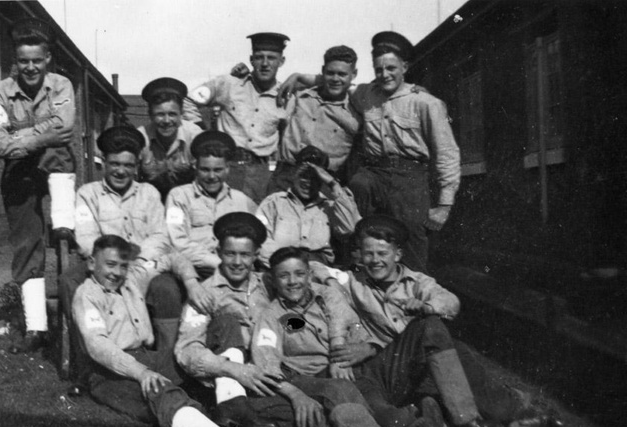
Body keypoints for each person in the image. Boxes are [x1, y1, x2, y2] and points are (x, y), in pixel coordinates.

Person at [312, 215, 564, 427]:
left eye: (382, 253)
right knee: (437, 336)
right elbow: (312, 267)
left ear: (397, 254)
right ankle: (489, 417)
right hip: (373, 372)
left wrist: (427, 307)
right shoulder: (354, 281)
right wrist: (332, 282)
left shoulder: (417, 282)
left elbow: (451, 302)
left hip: (406, 370)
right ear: (360, 255)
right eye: (368, 254)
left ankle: (487, 416)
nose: (375, 260)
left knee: (435, 330)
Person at [251, 246, 446, 427]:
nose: (293, 281)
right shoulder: (271, 316)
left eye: (299, 274)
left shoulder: (327, 296)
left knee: (370, 394)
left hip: (346, 370)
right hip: (308, 377)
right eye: (284, 276)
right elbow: (267, 364)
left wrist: (361, 348)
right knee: (340, 390)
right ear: (274, 280)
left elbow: (354, 327)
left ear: (309, 274)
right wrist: (295, 394)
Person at [278, 32, 461, 273]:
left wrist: (444, 205)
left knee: (411, 242)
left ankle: (414, 291)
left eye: (391, 68)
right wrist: (300, 76)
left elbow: (447, 153)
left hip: (410, 177)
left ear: (405, 67)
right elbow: (338, 81)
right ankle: (356, 280)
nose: (385, 75)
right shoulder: (366, 94)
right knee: (356, 219)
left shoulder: (426, 103)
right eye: (379, 69)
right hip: (374, 173)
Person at [71, 235, 252, 427]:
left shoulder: (132, 278)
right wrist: (141, 372)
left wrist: (191, 283)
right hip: (109, 372)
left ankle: (233, 407)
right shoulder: (87, 295)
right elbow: (98, 346)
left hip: (150, 357)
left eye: (123, 266)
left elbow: (172, 258)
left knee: (225, 323)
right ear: (92, 263)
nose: (117, 273)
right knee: (158, 390)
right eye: (110, 265)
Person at [0, 18, 77, 352]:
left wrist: (20, 137)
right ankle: (36, 328)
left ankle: (64, 224)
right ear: (16, 60)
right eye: (24, 61)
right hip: (19, 173)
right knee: (26, 246)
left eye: (37, 60)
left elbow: (65, 128)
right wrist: (40, 136)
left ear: (47, 58)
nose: (31, 67)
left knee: (57, 152)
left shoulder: (61, 86)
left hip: (55, 166)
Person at [58, 126, 180, 370]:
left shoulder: (149, 194)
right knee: (69, 280)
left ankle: (166, 364)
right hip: (104, 266)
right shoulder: (88, 194)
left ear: (136, 167)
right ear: (104, 162)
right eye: (115, 164)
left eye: (128, 165)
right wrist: (115, 256)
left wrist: (140, 258)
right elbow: (86, 237)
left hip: (143, 266)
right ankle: (85, 365)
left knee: (166, 288)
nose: (121, 171)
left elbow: (160, 235)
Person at [185, 33, 290, 203]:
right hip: (227, 168)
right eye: (259, 57)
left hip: (262, 173)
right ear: (251, 60)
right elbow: (188, 100)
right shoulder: (229, 84)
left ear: (281, 61)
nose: (265, 64)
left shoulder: (285, 97)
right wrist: (202, 133)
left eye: (271, 58)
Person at [166, 131, 257, 279]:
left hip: (235, 271)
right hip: (193, 270)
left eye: (218, 170)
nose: (212, 176)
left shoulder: (241, 200)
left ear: (227, 169)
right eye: (205, 170)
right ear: (195, 167)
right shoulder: (179, 196)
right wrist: (218, 262)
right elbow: (178, 242)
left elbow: (257, 237)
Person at [272, 45, 361, 192]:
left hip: (325, 183)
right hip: (286, 176)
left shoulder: (357, 110)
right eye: (330, 73)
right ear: (322, 71)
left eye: (342, 74)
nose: (335, 79)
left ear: (354, 74)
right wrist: (297, 76)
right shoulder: (301, 94)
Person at [256, 146, 360, 267]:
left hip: (319, 267)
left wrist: (333, 184)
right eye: (303, 175)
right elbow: (261, 239)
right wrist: (285, 264)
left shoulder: (330, 207)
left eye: (315, 178)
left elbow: (349, 228)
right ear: (294, 173)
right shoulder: (274, 202)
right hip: (282, 265)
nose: (308, 182)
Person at [137, 78, 203, 201]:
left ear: (181, 114)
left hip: (188, 201)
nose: (167, 121)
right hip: (149, 202)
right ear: (150, 115)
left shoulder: (194, 136)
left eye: (172, 114)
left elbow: (205, 180)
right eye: (160, 114)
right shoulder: (140, 138)